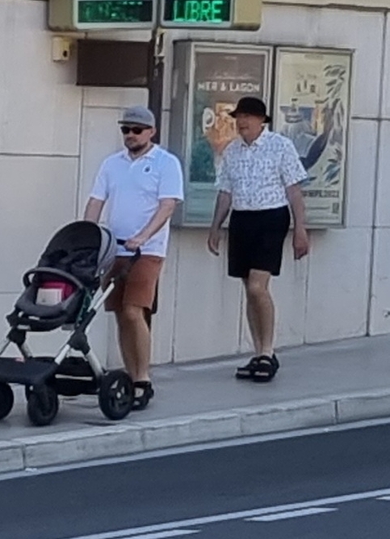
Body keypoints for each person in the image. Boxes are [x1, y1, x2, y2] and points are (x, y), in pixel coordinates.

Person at [83, 105, 184, 411]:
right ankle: (130, 374)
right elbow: (96, 201)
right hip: (115, 249)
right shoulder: (112, 164)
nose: (130, 135)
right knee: (119, 314)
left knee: (132, 310)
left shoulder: (166, 163)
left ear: (151, 132)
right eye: (125, 129)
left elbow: (167, 205)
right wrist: (87, 237)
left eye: (136, 130)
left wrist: (144, 235)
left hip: (147, 250)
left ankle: (142, 379)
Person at [206, 96, 311, 383]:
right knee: (247, 287)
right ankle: (258, 351)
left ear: (261, 120)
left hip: (271, 217)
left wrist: (300, 228)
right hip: (242, 218)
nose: (242, 122)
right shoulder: (232, 151)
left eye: (248, 117)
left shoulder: (280, 146)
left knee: (257, 286)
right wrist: (215, 226)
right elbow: (225, 191)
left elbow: (294, 191)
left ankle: (268, 350)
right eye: (239, 117)